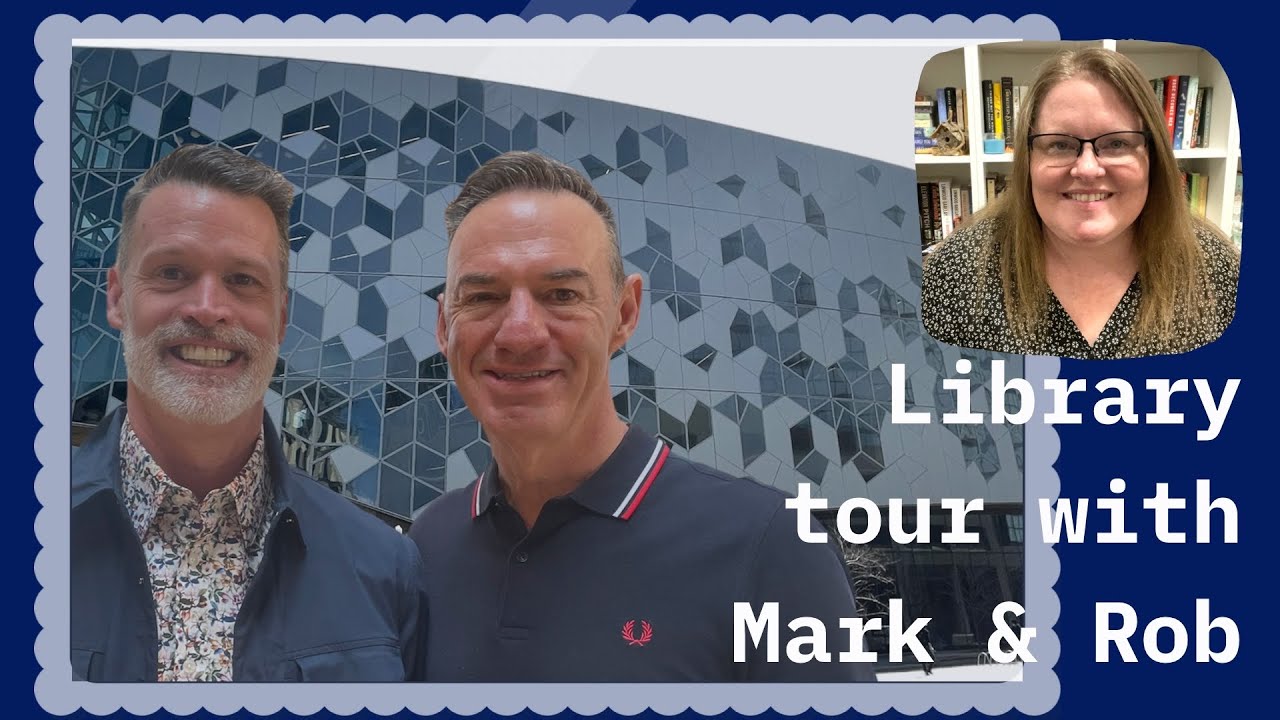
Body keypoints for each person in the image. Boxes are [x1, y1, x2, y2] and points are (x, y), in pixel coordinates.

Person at [408, 151, 876, 682]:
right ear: (445, 326)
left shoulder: (769, 546)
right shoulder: (425, 547)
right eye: (484, 296)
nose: (519, 333)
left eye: (561, 294)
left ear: (624, 314)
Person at [71, 144, 426, 682]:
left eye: (243, 280)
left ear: (281, 317)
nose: (208, 308)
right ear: (118, 298)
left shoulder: (386, 569)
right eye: (171, 271)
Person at [921, 48, 1239, 359]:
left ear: (1153, 157)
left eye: (1117, 143)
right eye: (1059, 144)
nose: (1087, 169)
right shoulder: (958, 271)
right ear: (1028, 161)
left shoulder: (1215, 269)